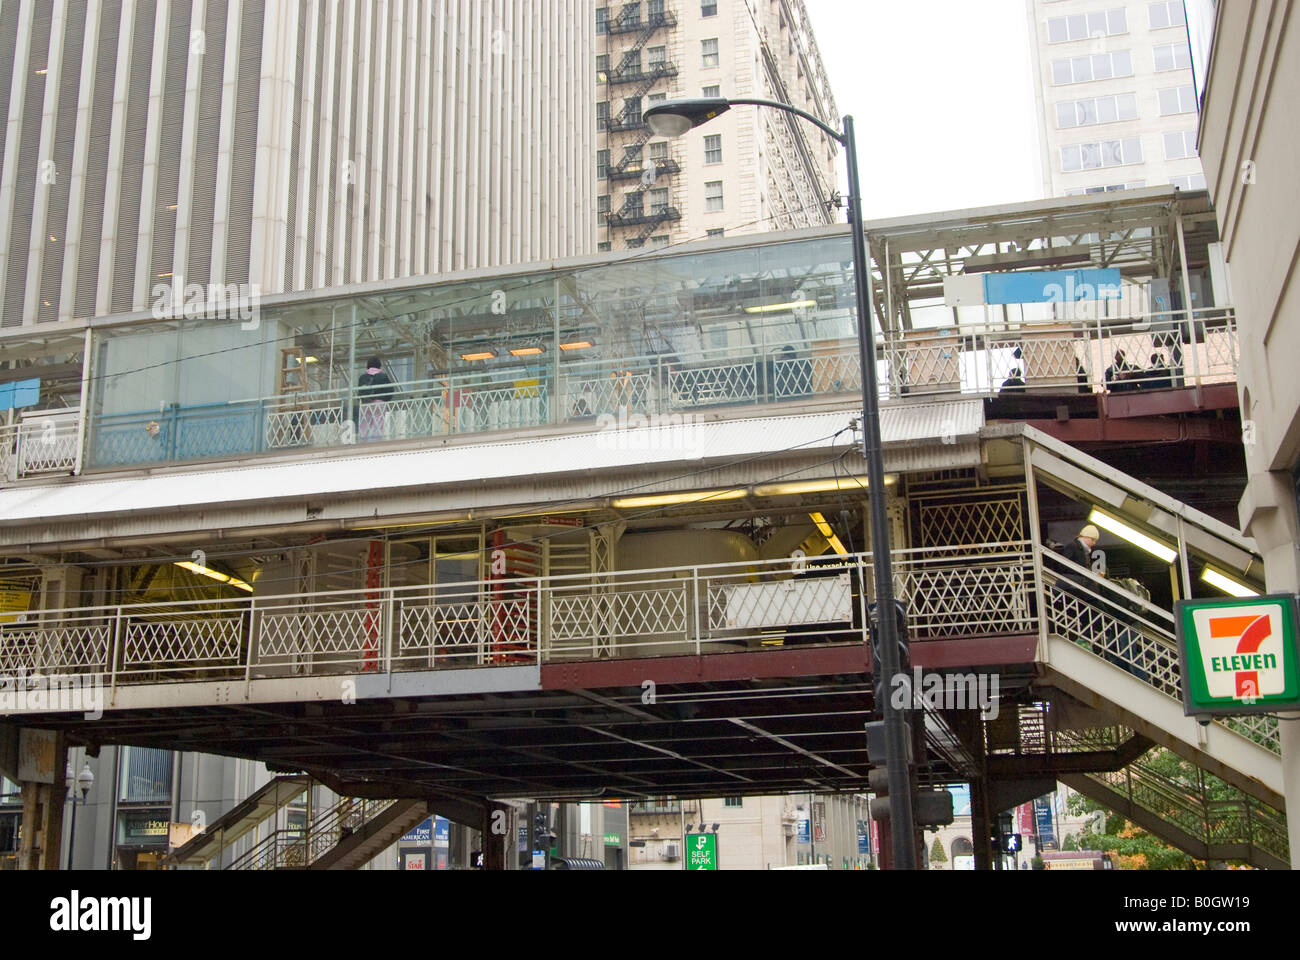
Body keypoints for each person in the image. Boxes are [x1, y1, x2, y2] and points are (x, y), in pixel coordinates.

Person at [356, 356, 395, 441]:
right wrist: (384, 399)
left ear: (368, 366)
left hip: (365, 404)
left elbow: (359, 392)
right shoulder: (383, 376)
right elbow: (390, 390)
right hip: (378, 403)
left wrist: (362, 400)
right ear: (379, 366)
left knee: (364, 424)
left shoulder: (362, 377)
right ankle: (376, 441)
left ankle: (363, 441)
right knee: (378, 423)